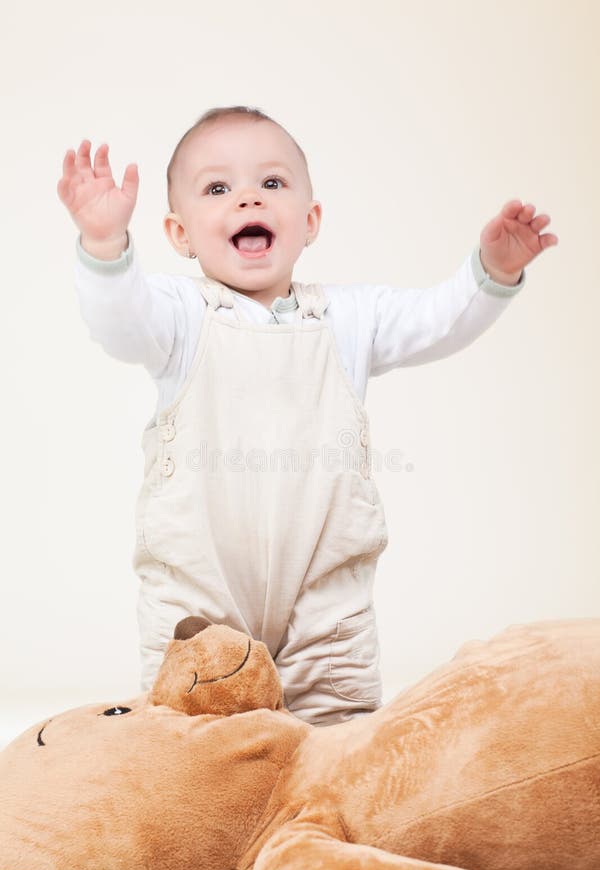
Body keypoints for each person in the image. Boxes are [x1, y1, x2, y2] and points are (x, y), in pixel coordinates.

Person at [57, 105, 558, 726]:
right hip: (198, 587)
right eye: (218, 188)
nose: (247, 200)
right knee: (186, 743)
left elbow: (436, 322)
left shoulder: (349, 318)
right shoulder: (178, 315)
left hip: (325, 596)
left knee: (338, 737)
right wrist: (105, 245)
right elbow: (119, 322)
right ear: (180, 234)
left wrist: (492, 273)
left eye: (272, 183)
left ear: (310, 221)